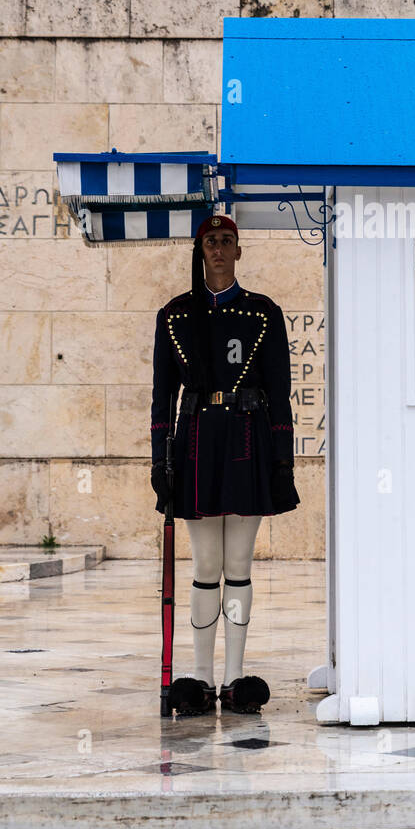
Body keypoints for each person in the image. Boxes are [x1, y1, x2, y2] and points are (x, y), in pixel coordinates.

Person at [149, 214, 300, 717]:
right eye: (210, 241)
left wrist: (283, 462)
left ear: (239, 250)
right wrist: (160, 462)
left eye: (227, 241)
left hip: (246, 441)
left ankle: (235, 677)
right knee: (205, 565)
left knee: (238, 565)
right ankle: (200, 676)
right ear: (200, 250)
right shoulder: (175, 316)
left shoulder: (262, 314)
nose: (218, 249)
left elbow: (280, 394)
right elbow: (160, 399)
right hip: (195, 445)